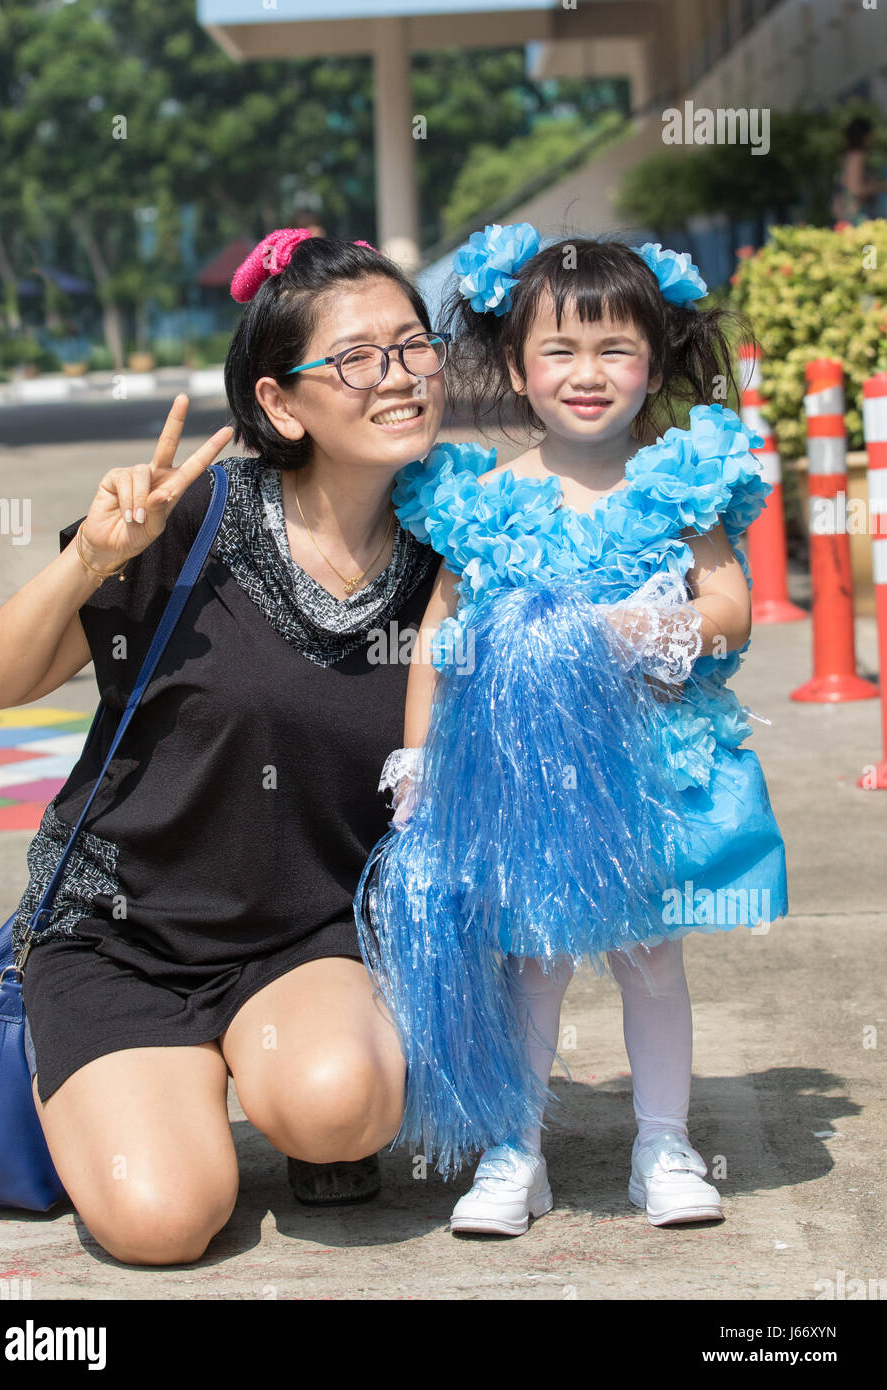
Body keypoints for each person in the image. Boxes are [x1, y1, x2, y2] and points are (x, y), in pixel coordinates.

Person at [0, 228, 452, 1264]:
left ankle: (289, 1087)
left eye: (413, 346)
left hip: (307, 934)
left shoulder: (450, 552)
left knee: (341, 1108)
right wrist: (92, 560)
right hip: (122, 932)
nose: (400, 377)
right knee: (163, 1223)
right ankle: (154, 1085)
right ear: (280, 403)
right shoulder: (189, 523)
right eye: (358, 359)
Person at [356, 224, 788, 1236]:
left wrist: (636, 626)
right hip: (517, 772)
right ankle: (515, 1149)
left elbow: (729, 612)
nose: (585, 374)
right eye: (558, 349)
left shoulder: (679, 483)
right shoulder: (485, 498)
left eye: (613, 348)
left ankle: (662, 1141)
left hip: (641, 765)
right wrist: (418, 759)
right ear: (515, 363)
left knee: (647, 956)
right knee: (529, 957)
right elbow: (437, 638)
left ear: (654, 356)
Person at [832, 116, 886, 225]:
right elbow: (855, 189)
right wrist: (879, 186)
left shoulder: (849, 156)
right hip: (854, 217)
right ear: (865, 136)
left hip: (846, 216)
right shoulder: (856, 157)